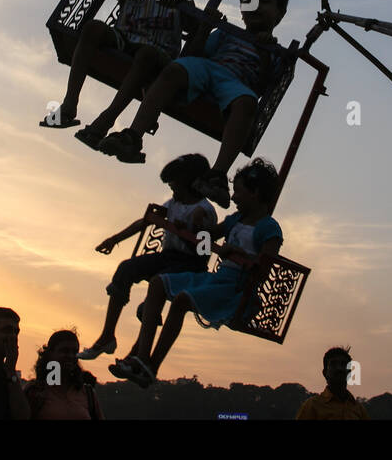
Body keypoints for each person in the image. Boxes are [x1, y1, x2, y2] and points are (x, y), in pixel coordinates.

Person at [99, 0, 289, 207]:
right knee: (174, 70)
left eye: (265, 1)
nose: (255, 6)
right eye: (249, 1)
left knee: (248, 103)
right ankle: (133, 135)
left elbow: (262, 87)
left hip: (236, 85)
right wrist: (204, 29)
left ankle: (217, 174)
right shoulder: (227, 32)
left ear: (280, 14)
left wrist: (264, 51)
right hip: (210, 68)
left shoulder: (275, 51)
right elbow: (195, 54)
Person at [109, 158, 282, 387]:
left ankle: (152, 365)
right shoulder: (235, 220)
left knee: (182, 300)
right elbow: (205, 243)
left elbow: (263, 269)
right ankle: (142, 357)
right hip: (216, 280)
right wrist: (195, 226)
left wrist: (238, 254)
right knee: (159, 283)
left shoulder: (268, 228)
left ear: (255, 193)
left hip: (235, 289)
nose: (233, 198)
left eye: (238, 192)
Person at [43, 0, 183, 140]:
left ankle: (106, 119)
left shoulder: (181, 0)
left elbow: (196, 31)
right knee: (93, 28)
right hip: (126, 40)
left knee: (146, 55)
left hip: (158, 55)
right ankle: (69, 104)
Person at [79, 153, 218, 360]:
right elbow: (144, 222)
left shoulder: (205, 210)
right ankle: (107, 335)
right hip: (168, 256)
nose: (172, 190)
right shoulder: (174, 204)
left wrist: (192, 230)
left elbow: (204, 251)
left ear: (190, 183)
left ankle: (137, 353)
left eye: (175, 186)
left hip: (190, 264)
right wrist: (114, 239)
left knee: (156, 289)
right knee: (125, 269)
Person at [25, 330, 103, 420]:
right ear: (50, 354)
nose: (70, 356)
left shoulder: (88, 393)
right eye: (65, 351)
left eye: (75, 352)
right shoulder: (34, 391)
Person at [295, 347, 370, 419]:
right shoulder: (312, 406)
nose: (339, 368)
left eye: (343, 364)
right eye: (333, 364)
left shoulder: (359, 409)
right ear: (325, 373)